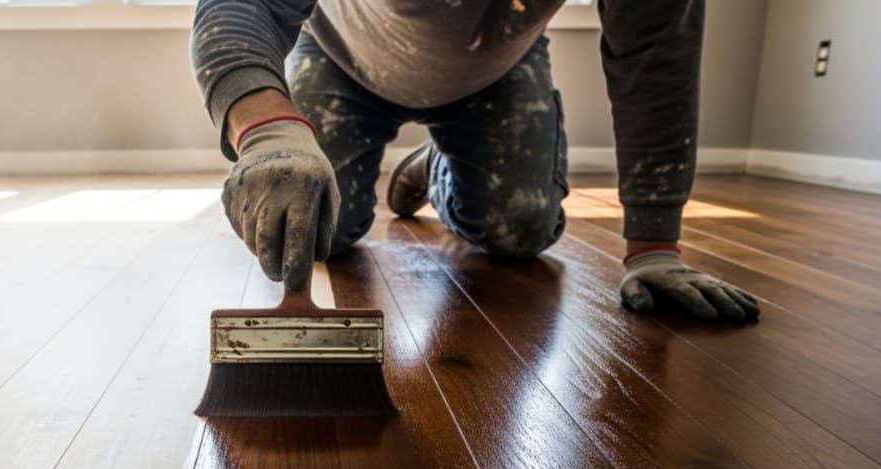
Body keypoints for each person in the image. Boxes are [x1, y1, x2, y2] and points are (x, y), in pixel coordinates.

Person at [190, 0, 759, 322]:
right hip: (344, 56)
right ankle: (438, 159)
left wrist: (654, 248)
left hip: (496, 66)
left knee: (521, 230)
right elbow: (240, 6)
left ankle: (437, 167)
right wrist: (269, 133)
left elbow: (655, 55)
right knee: (322, 226)